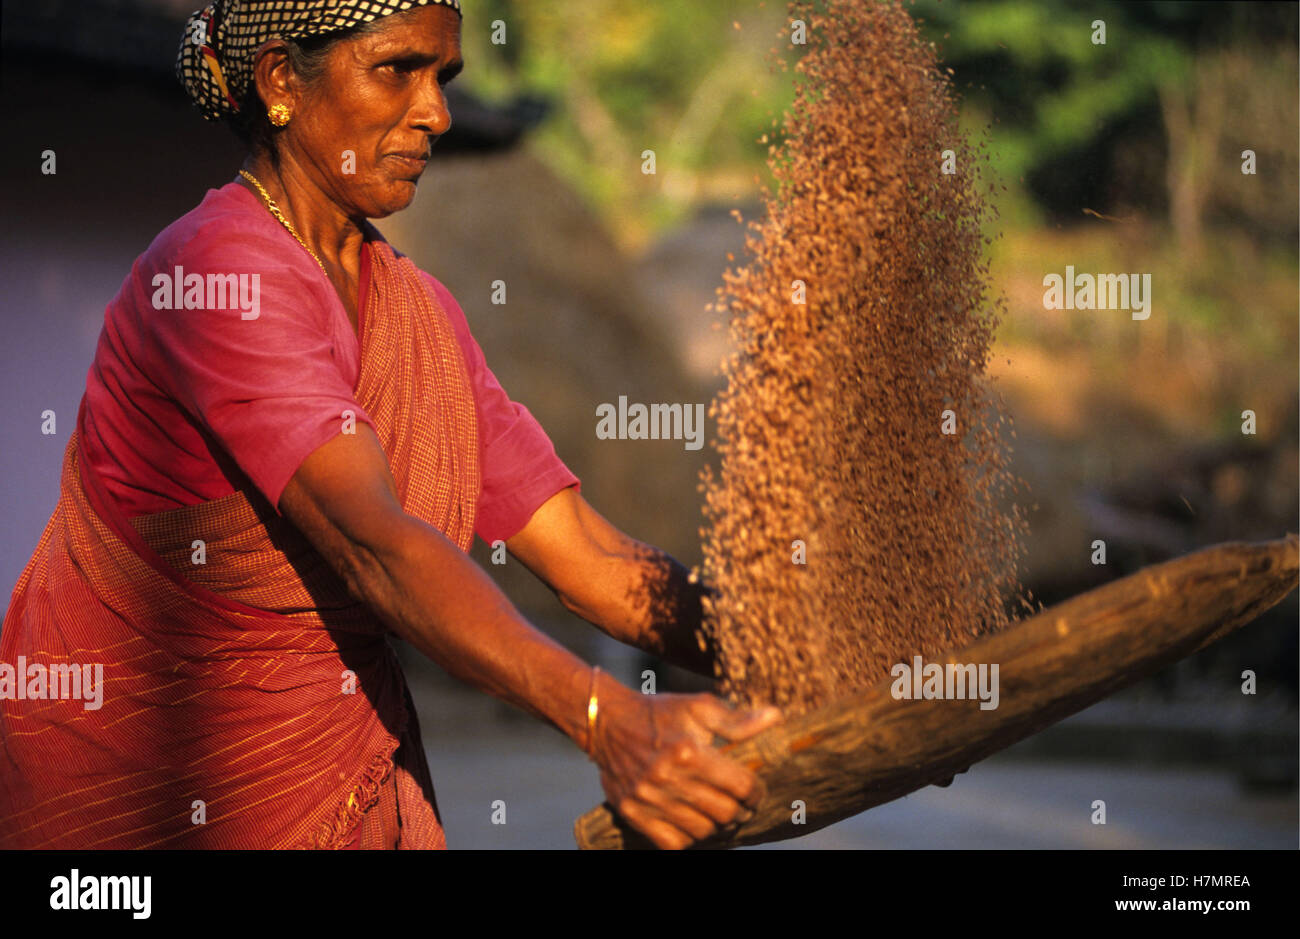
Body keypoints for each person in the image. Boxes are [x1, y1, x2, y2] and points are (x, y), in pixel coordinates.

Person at [0, 0, 781, 850]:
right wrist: (606, 715)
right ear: (279, 84)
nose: (436, 112)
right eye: (397, 69)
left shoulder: (419, 313)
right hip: (152, 808)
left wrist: (779, 649)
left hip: (341, 783)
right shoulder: (217, 272)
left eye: (442, 78)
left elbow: (584, 551)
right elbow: (374, 544)